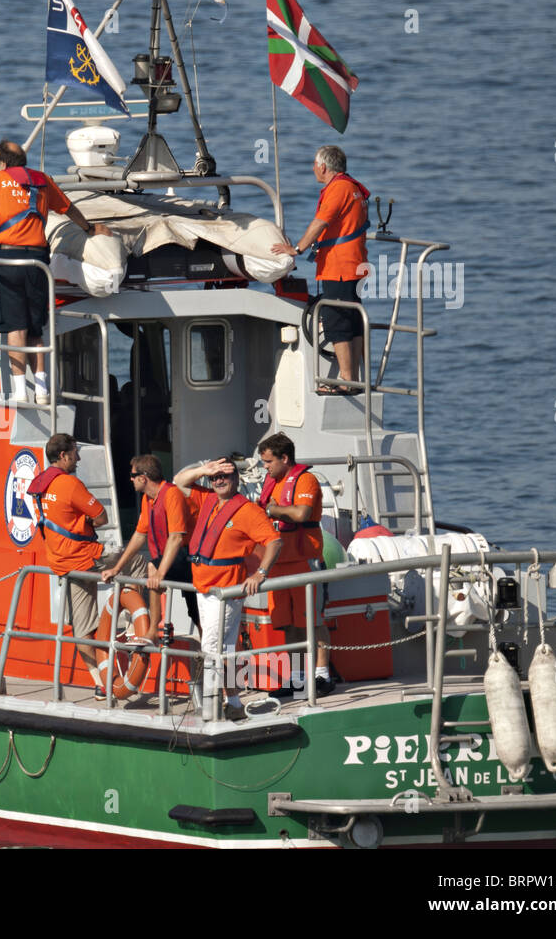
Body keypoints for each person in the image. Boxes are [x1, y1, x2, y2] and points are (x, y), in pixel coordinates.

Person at [0, 140, 112, 405]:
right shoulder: (43, 180)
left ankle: (21, 390)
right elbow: (69, 209)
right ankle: (42, 389)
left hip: (8, 260)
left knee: (14, 325)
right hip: (37, 261)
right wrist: (89, 229)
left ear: (2, 162)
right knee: (35, 325)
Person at [26, 433, 144, 699]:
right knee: (137, 561)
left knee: (81, 632)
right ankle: (136, 621)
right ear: (63, 456)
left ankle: (102, 684)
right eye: (74, 453)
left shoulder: (39, 486)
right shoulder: (70, 484)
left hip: (62, 565)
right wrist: (85, 524)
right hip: (87, 556)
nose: (78, 458)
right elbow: (101, 518)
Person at [173, 458, 282, 720]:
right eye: (215, 477)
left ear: (237, 479)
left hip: (227, 590)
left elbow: (274, 541)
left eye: (225, 476)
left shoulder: (248, 511)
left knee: (211, 647)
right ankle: (232, 701)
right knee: (226, 648)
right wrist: (203, 470)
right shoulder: (207, 499)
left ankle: (211, 708)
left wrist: (260, 573)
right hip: (204, 587)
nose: (219, 481)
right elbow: (178, 482)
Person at [271, 145, 370, 394]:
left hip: (340, 265)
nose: (313, 169)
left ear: (323, 166)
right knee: (353, 319)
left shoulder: (338, 189)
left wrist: (297, 248)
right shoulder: (353, 187)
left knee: (337, 321)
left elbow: (321, 222)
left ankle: (347, 380)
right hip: (354, 264)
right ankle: (355, 378)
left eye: (314, 164)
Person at [256, 433, 334, 697]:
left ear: (284, 458)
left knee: (312, 620)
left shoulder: (306, 480)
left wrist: (275, 511)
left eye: (268, 461)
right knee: (288, 623)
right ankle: (298, 678)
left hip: (304, 561)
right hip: (279, 563)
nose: (265, 467)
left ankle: (322, 675)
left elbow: (300, 513)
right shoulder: (273, 484)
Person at [102, 454, 199, 643]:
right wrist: (117, 568)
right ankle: (154, 630)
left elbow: (176, 537)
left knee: (198, 617)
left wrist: (160, 572)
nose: (130, 479)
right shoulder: (149, 499)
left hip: (190, 559)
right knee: (153, 568)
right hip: (171, 559)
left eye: (132, 475)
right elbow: (139, 535)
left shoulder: (172, 494)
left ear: (143, 478)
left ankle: (218, 663)